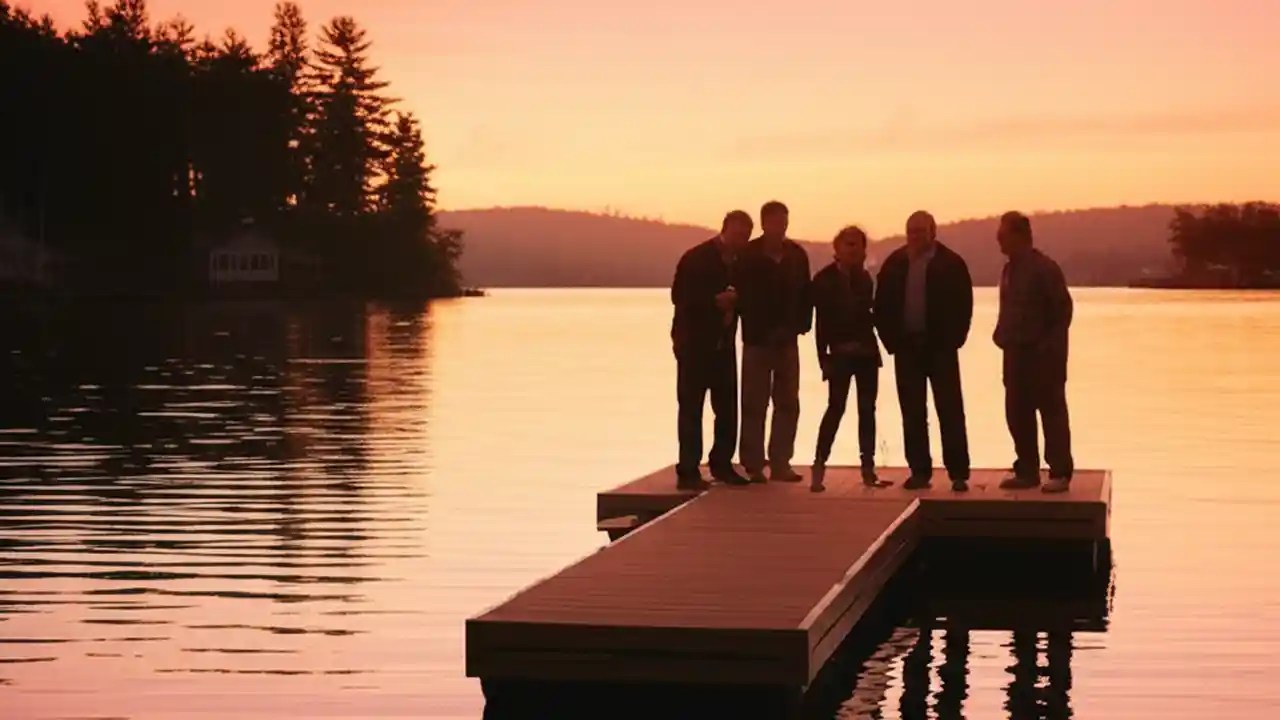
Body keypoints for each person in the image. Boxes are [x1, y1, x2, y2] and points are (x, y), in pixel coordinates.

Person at [873, 210, 973, 491]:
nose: (915, 236)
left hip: (941, 348)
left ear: (933, 232)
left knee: (950, 410)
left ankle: (958, 472)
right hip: (906, 349)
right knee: (913, 413)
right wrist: (891, 341)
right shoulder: (894, 264)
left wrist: (955, 340)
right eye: (911, 231)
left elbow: (964, 304)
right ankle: (919, 471)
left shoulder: (951, 263)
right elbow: (880, 306)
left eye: (920, 231)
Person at [670, 210, 754, 489]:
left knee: (727, 408)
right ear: (725, 229)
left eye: (746, 237)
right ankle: (688, 469)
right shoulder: (696, 259)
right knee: (692, 408)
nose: (741, 241)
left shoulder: (742, 263)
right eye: (738, 234)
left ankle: (721, 464)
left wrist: (738, 301)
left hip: (724, 345)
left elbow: (757, 296)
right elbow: (679, 296)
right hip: (693, 344)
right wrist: (714, 302)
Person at [993, 211, 1075, 493]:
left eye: (1002, 235)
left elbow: (1063, 311)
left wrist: (1048, 347)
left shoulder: (1044, 268)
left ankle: (1060, 472)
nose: (998, 240)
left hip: (1043, 357)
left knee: (1051, 412)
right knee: (1017, 412)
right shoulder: (1009, 269)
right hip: (1014, 354)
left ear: (1019, 235)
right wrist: (1001, 334)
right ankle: (1027, 470)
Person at [736, 200, 812, 483]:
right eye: (776, 222)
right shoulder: (748, 255)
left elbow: (806, 294)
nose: (781, 227)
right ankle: (753, 464)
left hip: (788, 340)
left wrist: (802, 326)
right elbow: (741, 295)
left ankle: (781, 462)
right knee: (754, 403)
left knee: (788, 402)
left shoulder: (796, 255)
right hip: (757, 340)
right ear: (765, 223)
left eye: (785, 222)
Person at [810, 225, 890, 493]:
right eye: (849, 244)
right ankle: (819, 465)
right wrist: (823, 359)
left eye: (858, 245)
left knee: (867, 410)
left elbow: (872, 315)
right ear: (837, 248)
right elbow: (820, 323)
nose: (854, 250)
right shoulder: (823, 280)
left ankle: (868, 468)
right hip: (840, 355)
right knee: (836, 408)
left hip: (867, 353)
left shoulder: (865, 278)